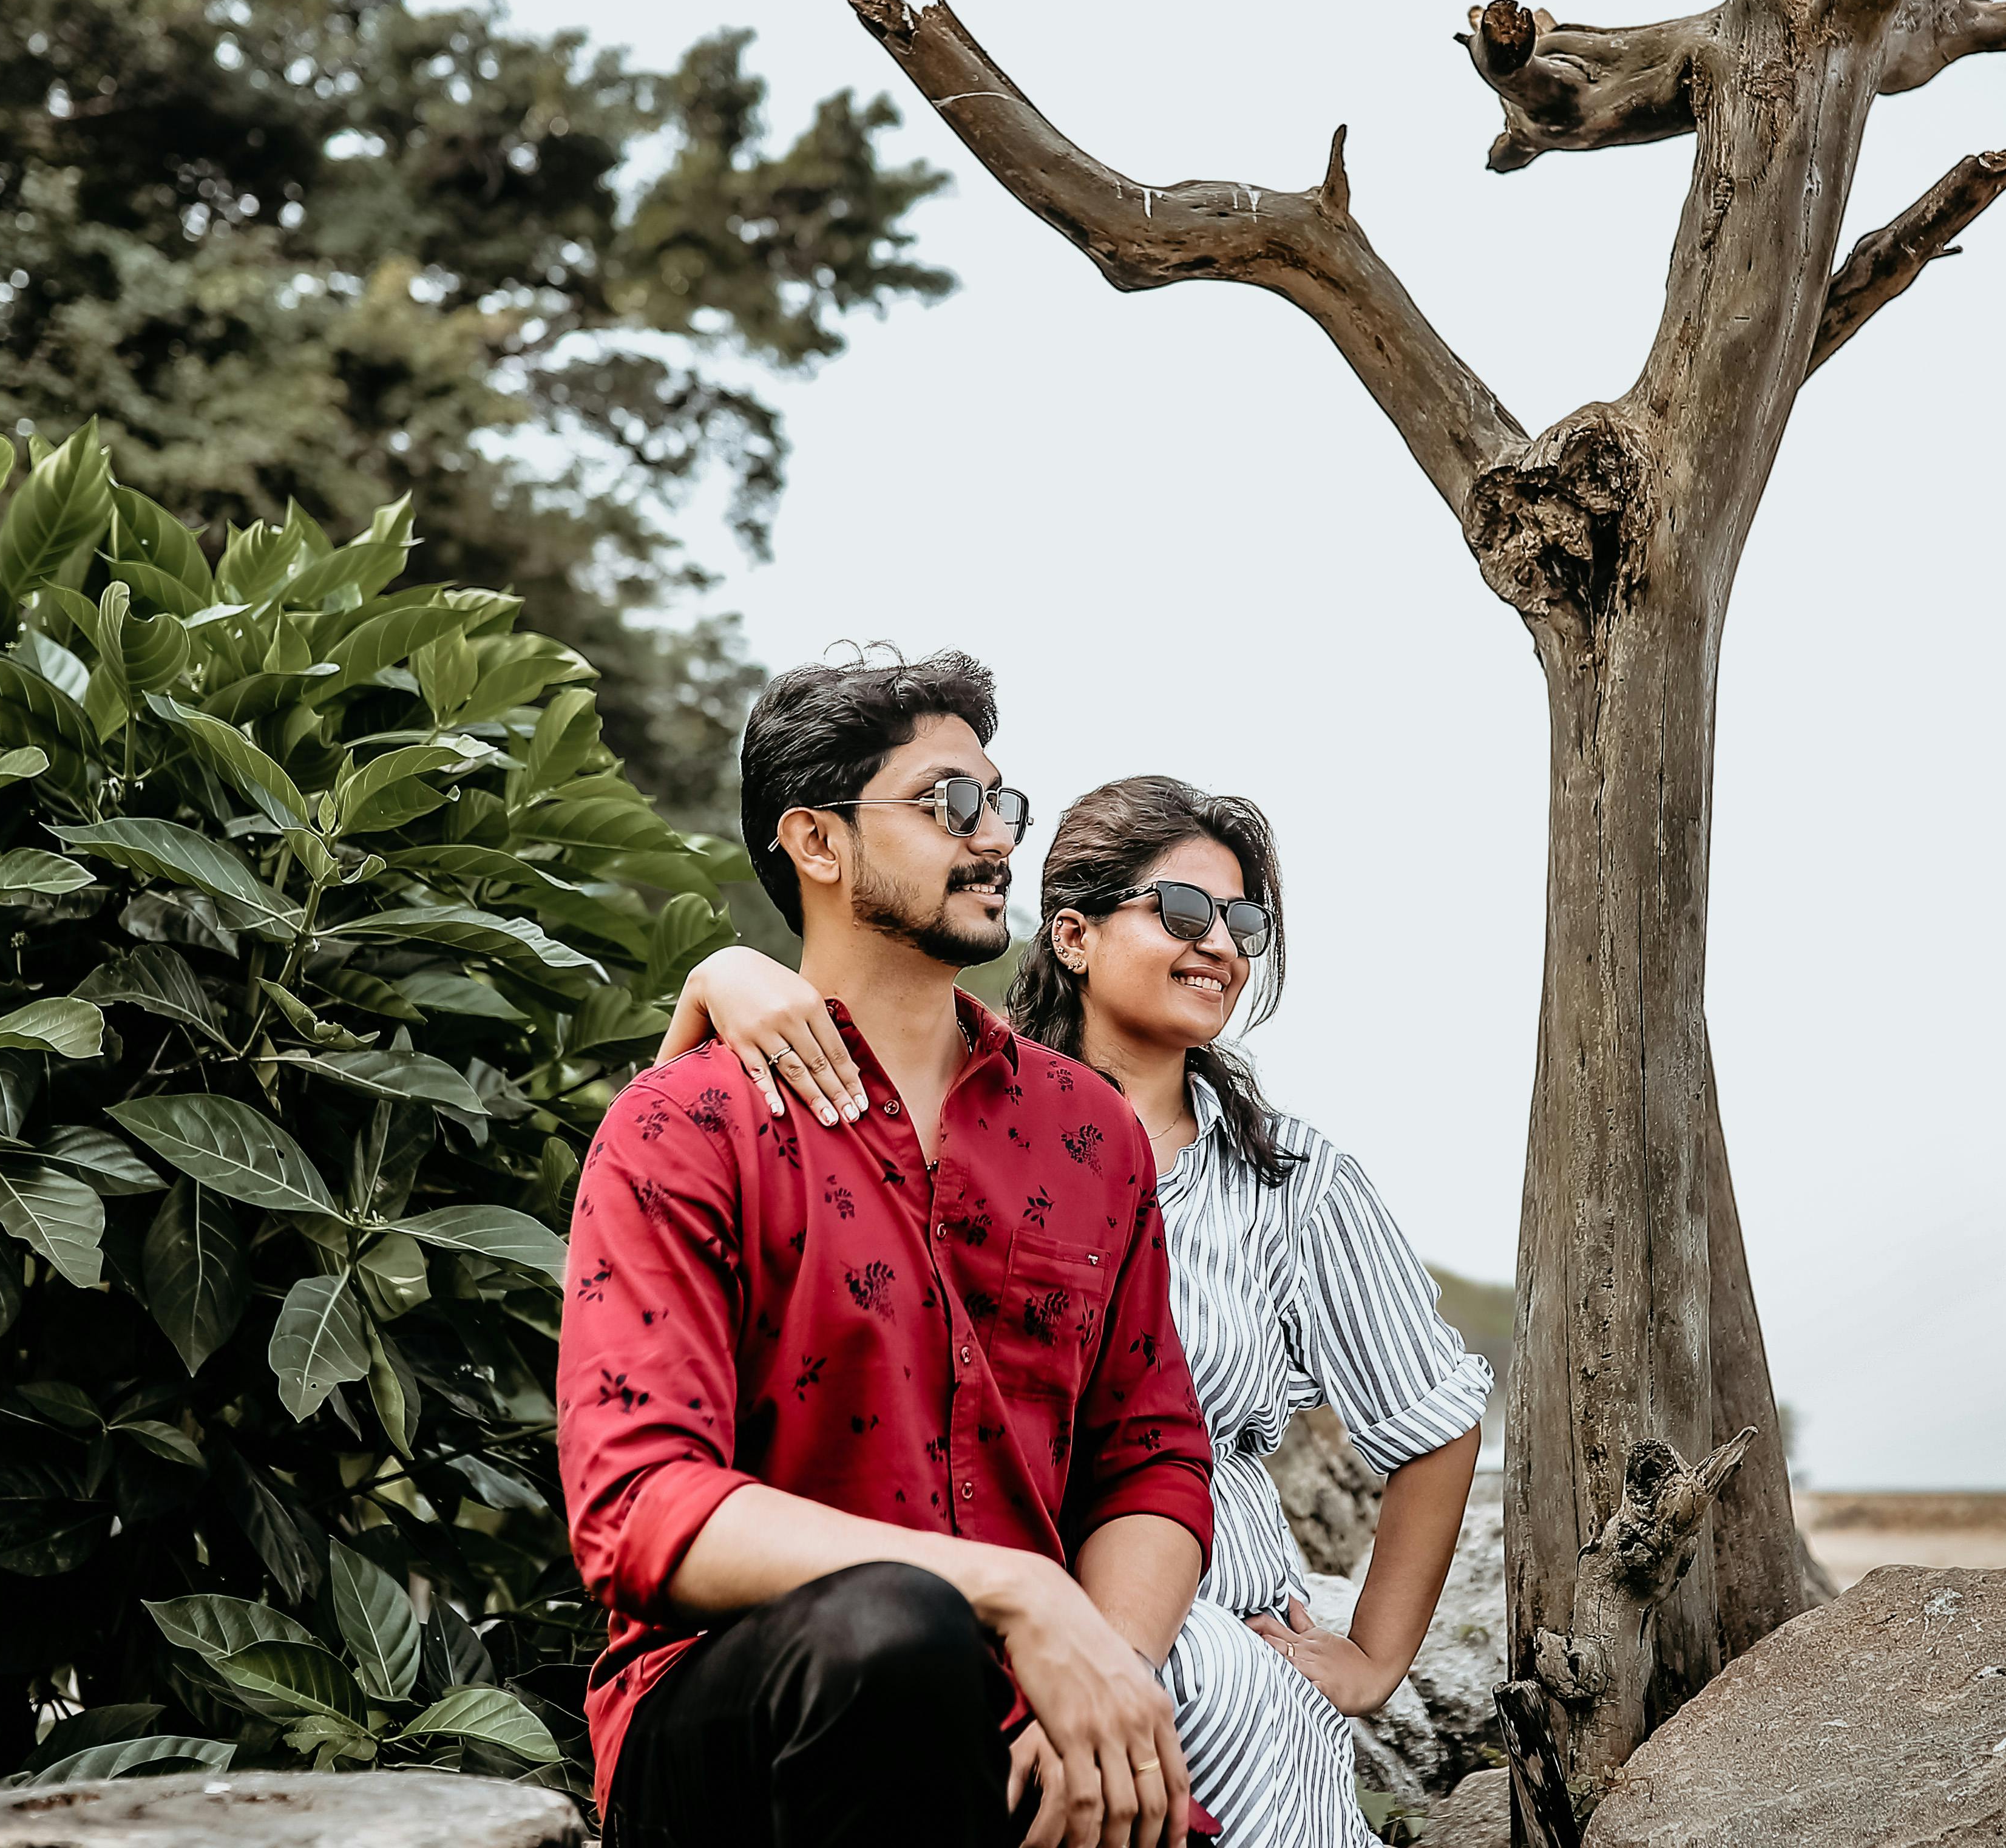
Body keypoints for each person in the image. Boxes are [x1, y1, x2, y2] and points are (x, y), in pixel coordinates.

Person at [668, 775, 1489, 1848]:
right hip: (954, 1605)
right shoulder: (948, 1109)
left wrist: (1376, 1661)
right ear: (1072, 935)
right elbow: (727, 1215)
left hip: (1215, 1633)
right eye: (1184, 912)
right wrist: (720, 975)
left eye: (1246, 923)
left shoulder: (1291, 1183)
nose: (1223, 946)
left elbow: (1432, 1417)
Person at [558, 651, 1219, 1848]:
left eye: (1002, 805)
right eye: (948, 803)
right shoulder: (686, 1126)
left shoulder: (1092, 1135)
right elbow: (641, 1503)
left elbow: (1153, 1457)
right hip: (747, 1730)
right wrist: (1014, 1591)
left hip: (1020, 1745)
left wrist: (1102, 1675)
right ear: (816, 843)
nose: (996, 839)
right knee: (898, 1636)